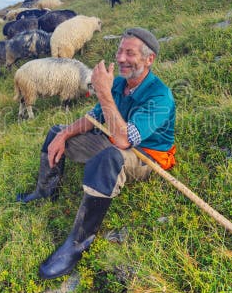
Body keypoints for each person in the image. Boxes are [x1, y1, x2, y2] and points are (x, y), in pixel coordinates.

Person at [17, 27, 176, 279]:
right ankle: (45, 190)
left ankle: (78, 243)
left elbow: (124, 141)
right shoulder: (120, 84)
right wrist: (63, 135)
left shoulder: (160, 96)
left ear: (149, 60)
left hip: (146, 156)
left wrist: (103, 91)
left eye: (130, 53)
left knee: (109, 158)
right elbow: (94, 117)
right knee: (56, 132)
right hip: (116, 139)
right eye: (120, 51)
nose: (121, 58)